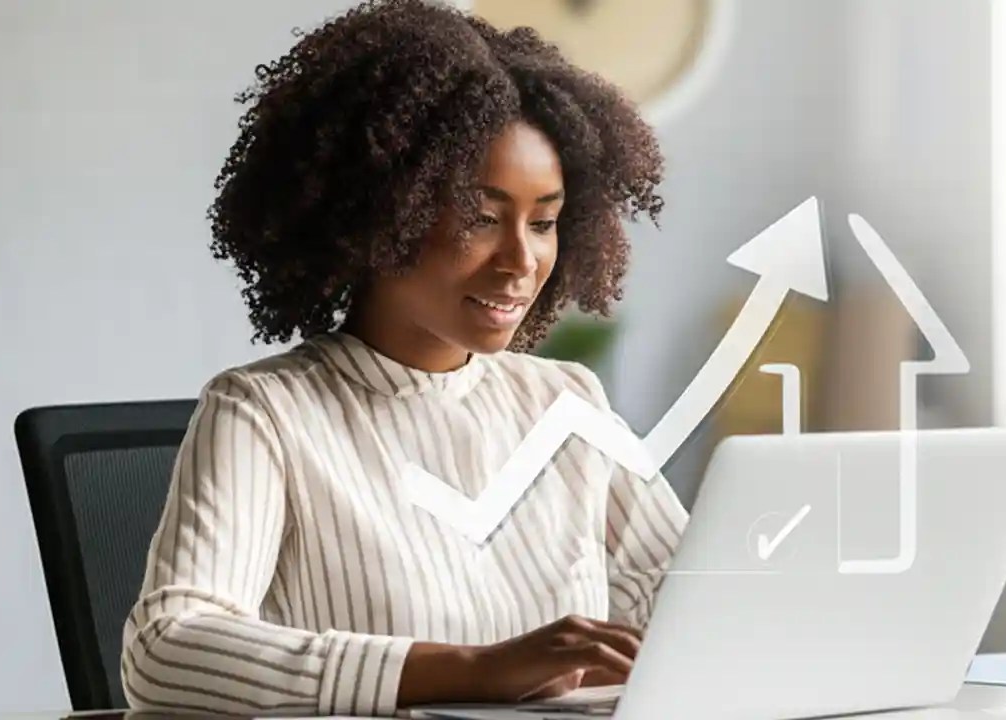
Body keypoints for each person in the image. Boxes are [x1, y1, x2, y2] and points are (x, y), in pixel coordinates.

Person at [120, 0, 687, 716]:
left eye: (543, 222)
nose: (521, 260)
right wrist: (473, 669)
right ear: (384, 212)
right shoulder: (265, 414)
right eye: (482, 219)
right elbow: (166, 653)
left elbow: (698, 598)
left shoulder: (566, 404)